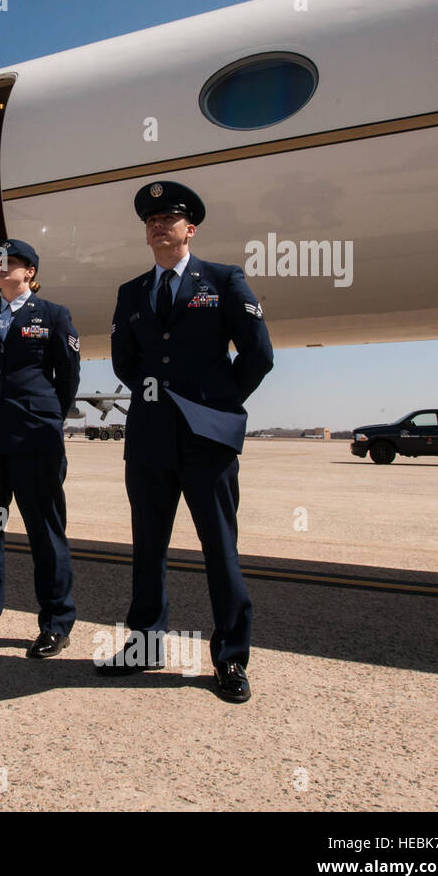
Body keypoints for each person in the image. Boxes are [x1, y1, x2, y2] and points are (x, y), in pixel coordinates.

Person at [103, 181, 273, 703]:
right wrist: (160, 403)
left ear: (189, 228)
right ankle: (147, 646)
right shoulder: (131, 293)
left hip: (208, 441)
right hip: (151, 441)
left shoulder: (223, 280)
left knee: (219, 549)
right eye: (151, 220)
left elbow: (257, 355)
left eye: (169, 218)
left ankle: (230, 659)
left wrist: (215, 404)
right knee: (147, 549)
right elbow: (124, 364)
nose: (158, 226)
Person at [0, 239, 81, 658]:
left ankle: (55, 622)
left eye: (10, 261)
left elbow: (67, 378)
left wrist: (45, 417)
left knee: (44, 532)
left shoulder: (53, 316)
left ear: (30, 271)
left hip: (34, 439)